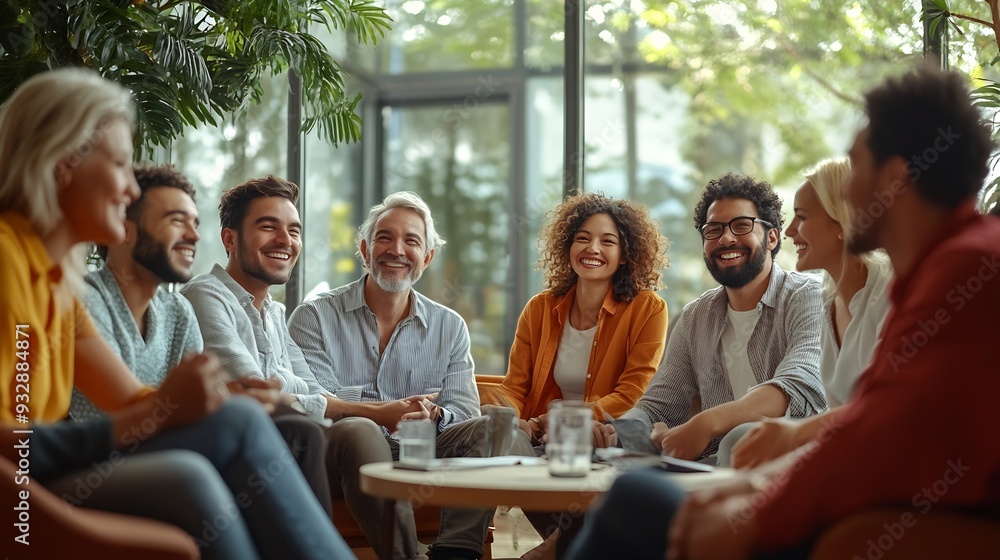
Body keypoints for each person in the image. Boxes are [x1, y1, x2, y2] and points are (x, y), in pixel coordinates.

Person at [565, 65, 1000, 560]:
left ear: (896, 181)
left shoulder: (968, 271)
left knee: (634, 502)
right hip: (825, 494)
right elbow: (870, 418)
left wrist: (754, 514)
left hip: (903, 515)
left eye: (856, 168)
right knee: (632, 498)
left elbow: (878, 437)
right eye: (713, 230)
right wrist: (747, 492)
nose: (847, 194)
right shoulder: (930, 275)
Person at [0, 68, 352, 560]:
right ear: (63, 161)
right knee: (227, 438)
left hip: (51, 471)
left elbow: (131, 399)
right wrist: (168, 408)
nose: (129, 190)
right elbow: (15, 443)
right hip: (18, 500)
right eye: (121, 164)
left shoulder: (59, 286)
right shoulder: (7, 264)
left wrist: (216, 396)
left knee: (244, 421)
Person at [68, 166, 332, 515]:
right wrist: (219, 399)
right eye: (177, 220)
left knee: (299, 431)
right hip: (102, 456)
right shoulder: (84, 300)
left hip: (166, 443)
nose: (193, 236)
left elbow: (198, 402)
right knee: (269, 430)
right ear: (125, 229)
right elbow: (123, 407)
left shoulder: (177, 309)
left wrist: (224, 397)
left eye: (195, 223)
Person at [288, 191, 534, 560]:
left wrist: (435, 416)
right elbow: (315, 403)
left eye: (412, 241)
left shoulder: (450, 326)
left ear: (427, 257)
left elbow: (463, 412)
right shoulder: (314, 317)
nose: (397, 250)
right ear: (365, 249)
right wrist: (381, 413)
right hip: (344, 456)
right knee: (360, 429)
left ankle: (455, 553)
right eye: (384, 237)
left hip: (425, 449)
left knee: (495, 428)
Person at [596, 174, 826, 461]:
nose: (726, 238)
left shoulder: (808, 295)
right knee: (616, 476)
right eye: (713, 230)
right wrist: (620, 432)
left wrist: (707, 423)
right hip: (711, 469)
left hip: (794, 464)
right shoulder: (695, 317)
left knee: (738, 439)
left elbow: (798, 384)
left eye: (742, 225)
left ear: (771, 237)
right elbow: (658, 406)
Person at [717, 158, 893, 467]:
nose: (789, 231)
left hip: (884, 452)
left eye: (801, 217)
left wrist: (794, 436)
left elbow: (886, 405)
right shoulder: (827, 298)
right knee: (741, 440)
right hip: (849, 446)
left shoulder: (890, 292)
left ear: (840, 223)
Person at [486, 192, 669, 443]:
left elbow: (632, 394)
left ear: (625, 255)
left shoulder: (648, 308)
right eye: (582, 238)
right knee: (497, 432)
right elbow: (515, 388)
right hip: (538, 437)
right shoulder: (539, 308)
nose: (592, 248)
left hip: (604, 436)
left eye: (608, 242)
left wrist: (564, 419)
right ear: (568, 247)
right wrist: (506, 415)